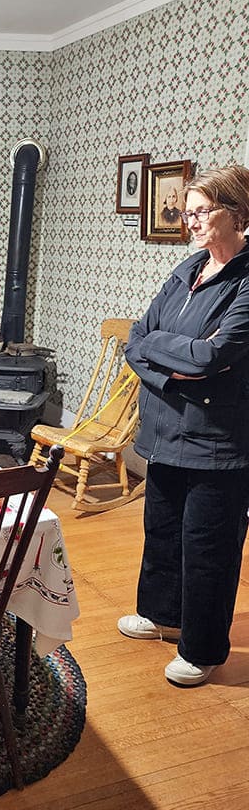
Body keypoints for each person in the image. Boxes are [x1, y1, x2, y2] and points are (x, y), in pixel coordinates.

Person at [119, 165, 249, 687]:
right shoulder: (187, 269)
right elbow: (137, 336)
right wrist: (174, 362)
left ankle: (202, 647)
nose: (189, 221)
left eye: (201, 211)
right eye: (188, 212)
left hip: (220, 442)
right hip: (165, 430)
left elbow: (214, 354)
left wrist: (173, 358)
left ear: (238, 214)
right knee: (163, 530)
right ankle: (160, 614)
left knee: (208, 546)